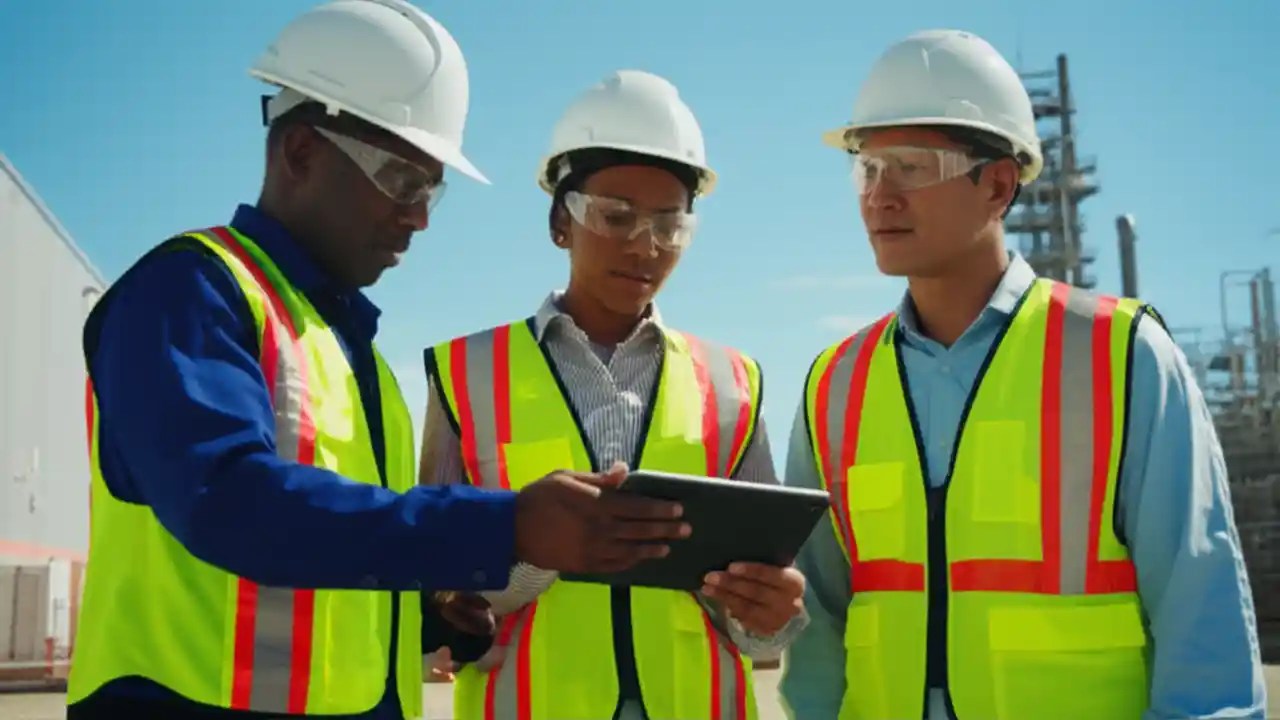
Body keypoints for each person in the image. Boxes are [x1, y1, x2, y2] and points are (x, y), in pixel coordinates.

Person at [67, 3, 691, 719]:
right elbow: (226, 503)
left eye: (432, 188)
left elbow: (338, 547)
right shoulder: (190, 292)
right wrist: (505, 526)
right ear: (300, 153)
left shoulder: (346, 351)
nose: (420, 216)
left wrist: (424, 620)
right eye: (402, 180)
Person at [779, 29, 1267, 720]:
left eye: (912, 166)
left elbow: (1202, 623)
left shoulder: (1122, 357)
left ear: (1000, 185)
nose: (880, 195)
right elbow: (821, 625)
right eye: (868, 168)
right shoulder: (835, 386)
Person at [417, 69, 809, 720]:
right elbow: (431, 587)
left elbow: (759, 613)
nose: (644, 245)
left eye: (669, 224)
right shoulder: (464, 374)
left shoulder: (735, 382)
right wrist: (532, 558)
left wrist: (772, 614)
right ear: (559, 223)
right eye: (615, 216)